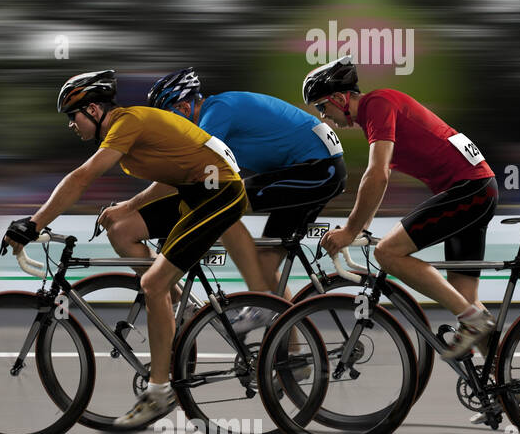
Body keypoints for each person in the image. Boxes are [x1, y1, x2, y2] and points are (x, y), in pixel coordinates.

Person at [3, 70, 250, 428]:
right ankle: (176, 301)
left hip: (220, 193)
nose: (72, 126)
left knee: (151, 284)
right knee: (120, 229)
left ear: (92, 109)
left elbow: (81, 178)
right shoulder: (129, 129)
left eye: (73, 117)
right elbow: (171, 172)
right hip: (197, 190)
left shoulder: (126, 122)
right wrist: (129, 207)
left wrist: (34, 223)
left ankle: (160, 391)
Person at [99, 68, 348, 320]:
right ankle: (284, 349)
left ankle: (259, 303)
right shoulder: (220, 111)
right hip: (318, 169)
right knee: (265, 264)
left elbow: (192, 172)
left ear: (184, 108)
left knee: (225, 206)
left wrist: (129, 207)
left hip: (315, 170)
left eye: (170, 120)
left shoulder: (216, 112)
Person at [306, 57, 498, 359]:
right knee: (466, 299)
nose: (324, 116)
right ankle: (501, 390)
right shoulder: (378, 109)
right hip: (477, 189)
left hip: (469, 190)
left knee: (387, 253)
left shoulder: (377, 105)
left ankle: (473, 323)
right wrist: (360, 228)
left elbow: (377, 173)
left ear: (341, 98)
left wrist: (350, 230)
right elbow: (380, 181)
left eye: (322, 107)